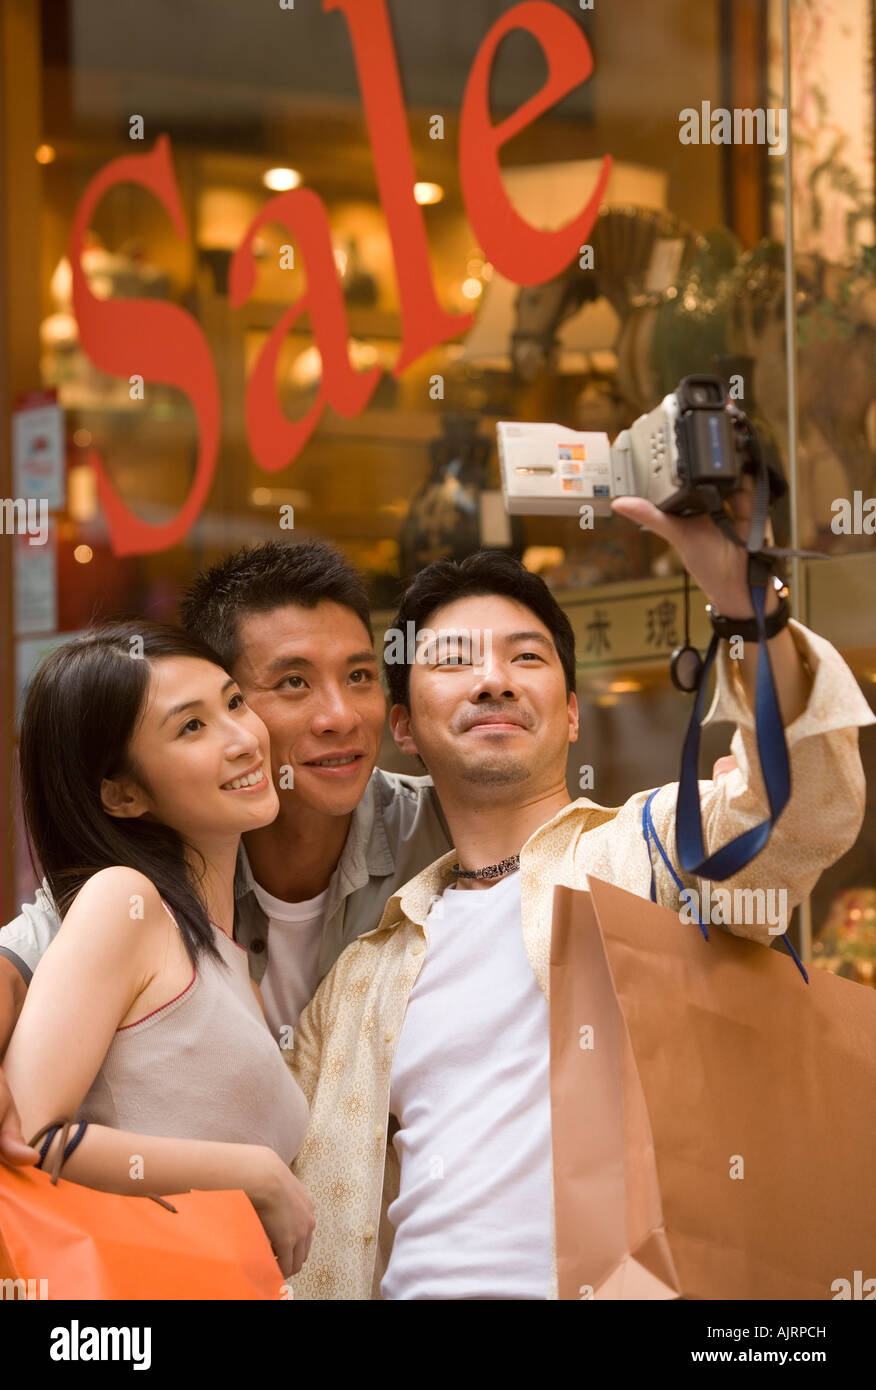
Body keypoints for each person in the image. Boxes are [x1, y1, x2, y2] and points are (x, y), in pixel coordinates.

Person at [283, 487, 876, 1300]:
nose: (493, 680)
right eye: (454, 661)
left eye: (526, 657)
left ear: (567, 715)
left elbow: (800, 805)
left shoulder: (649, 851)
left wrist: (743, 603)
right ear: (404, 728)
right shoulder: (363, 976)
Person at [0, 540, 451, 1166]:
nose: (339, 715)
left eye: (359, 676)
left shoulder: (444, 831)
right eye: (293, 682)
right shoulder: (141, 893)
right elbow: (31, 951)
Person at [3, 623, 314, 1277]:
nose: (242, 739)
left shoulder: (225, 956)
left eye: (233, 703)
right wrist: (250, 1172)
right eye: (190, 728)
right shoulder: (125, 902)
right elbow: (27, 1137)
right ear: (121, 793)